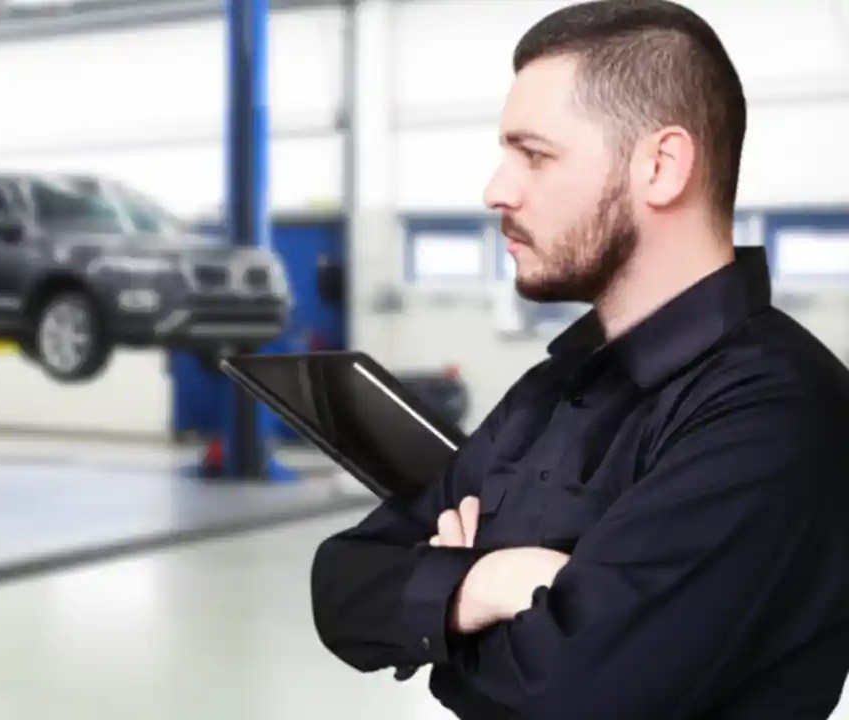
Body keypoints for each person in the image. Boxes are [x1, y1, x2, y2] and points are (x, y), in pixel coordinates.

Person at [309, 1, 849, 718]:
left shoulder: (774, 412)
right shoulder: (553, 387)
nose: (496, 189)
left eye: (534, 154)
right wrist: (483, 585)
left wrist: (437, 617)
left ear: (660, 167)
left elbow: (568, 694)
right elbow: (343, 583)